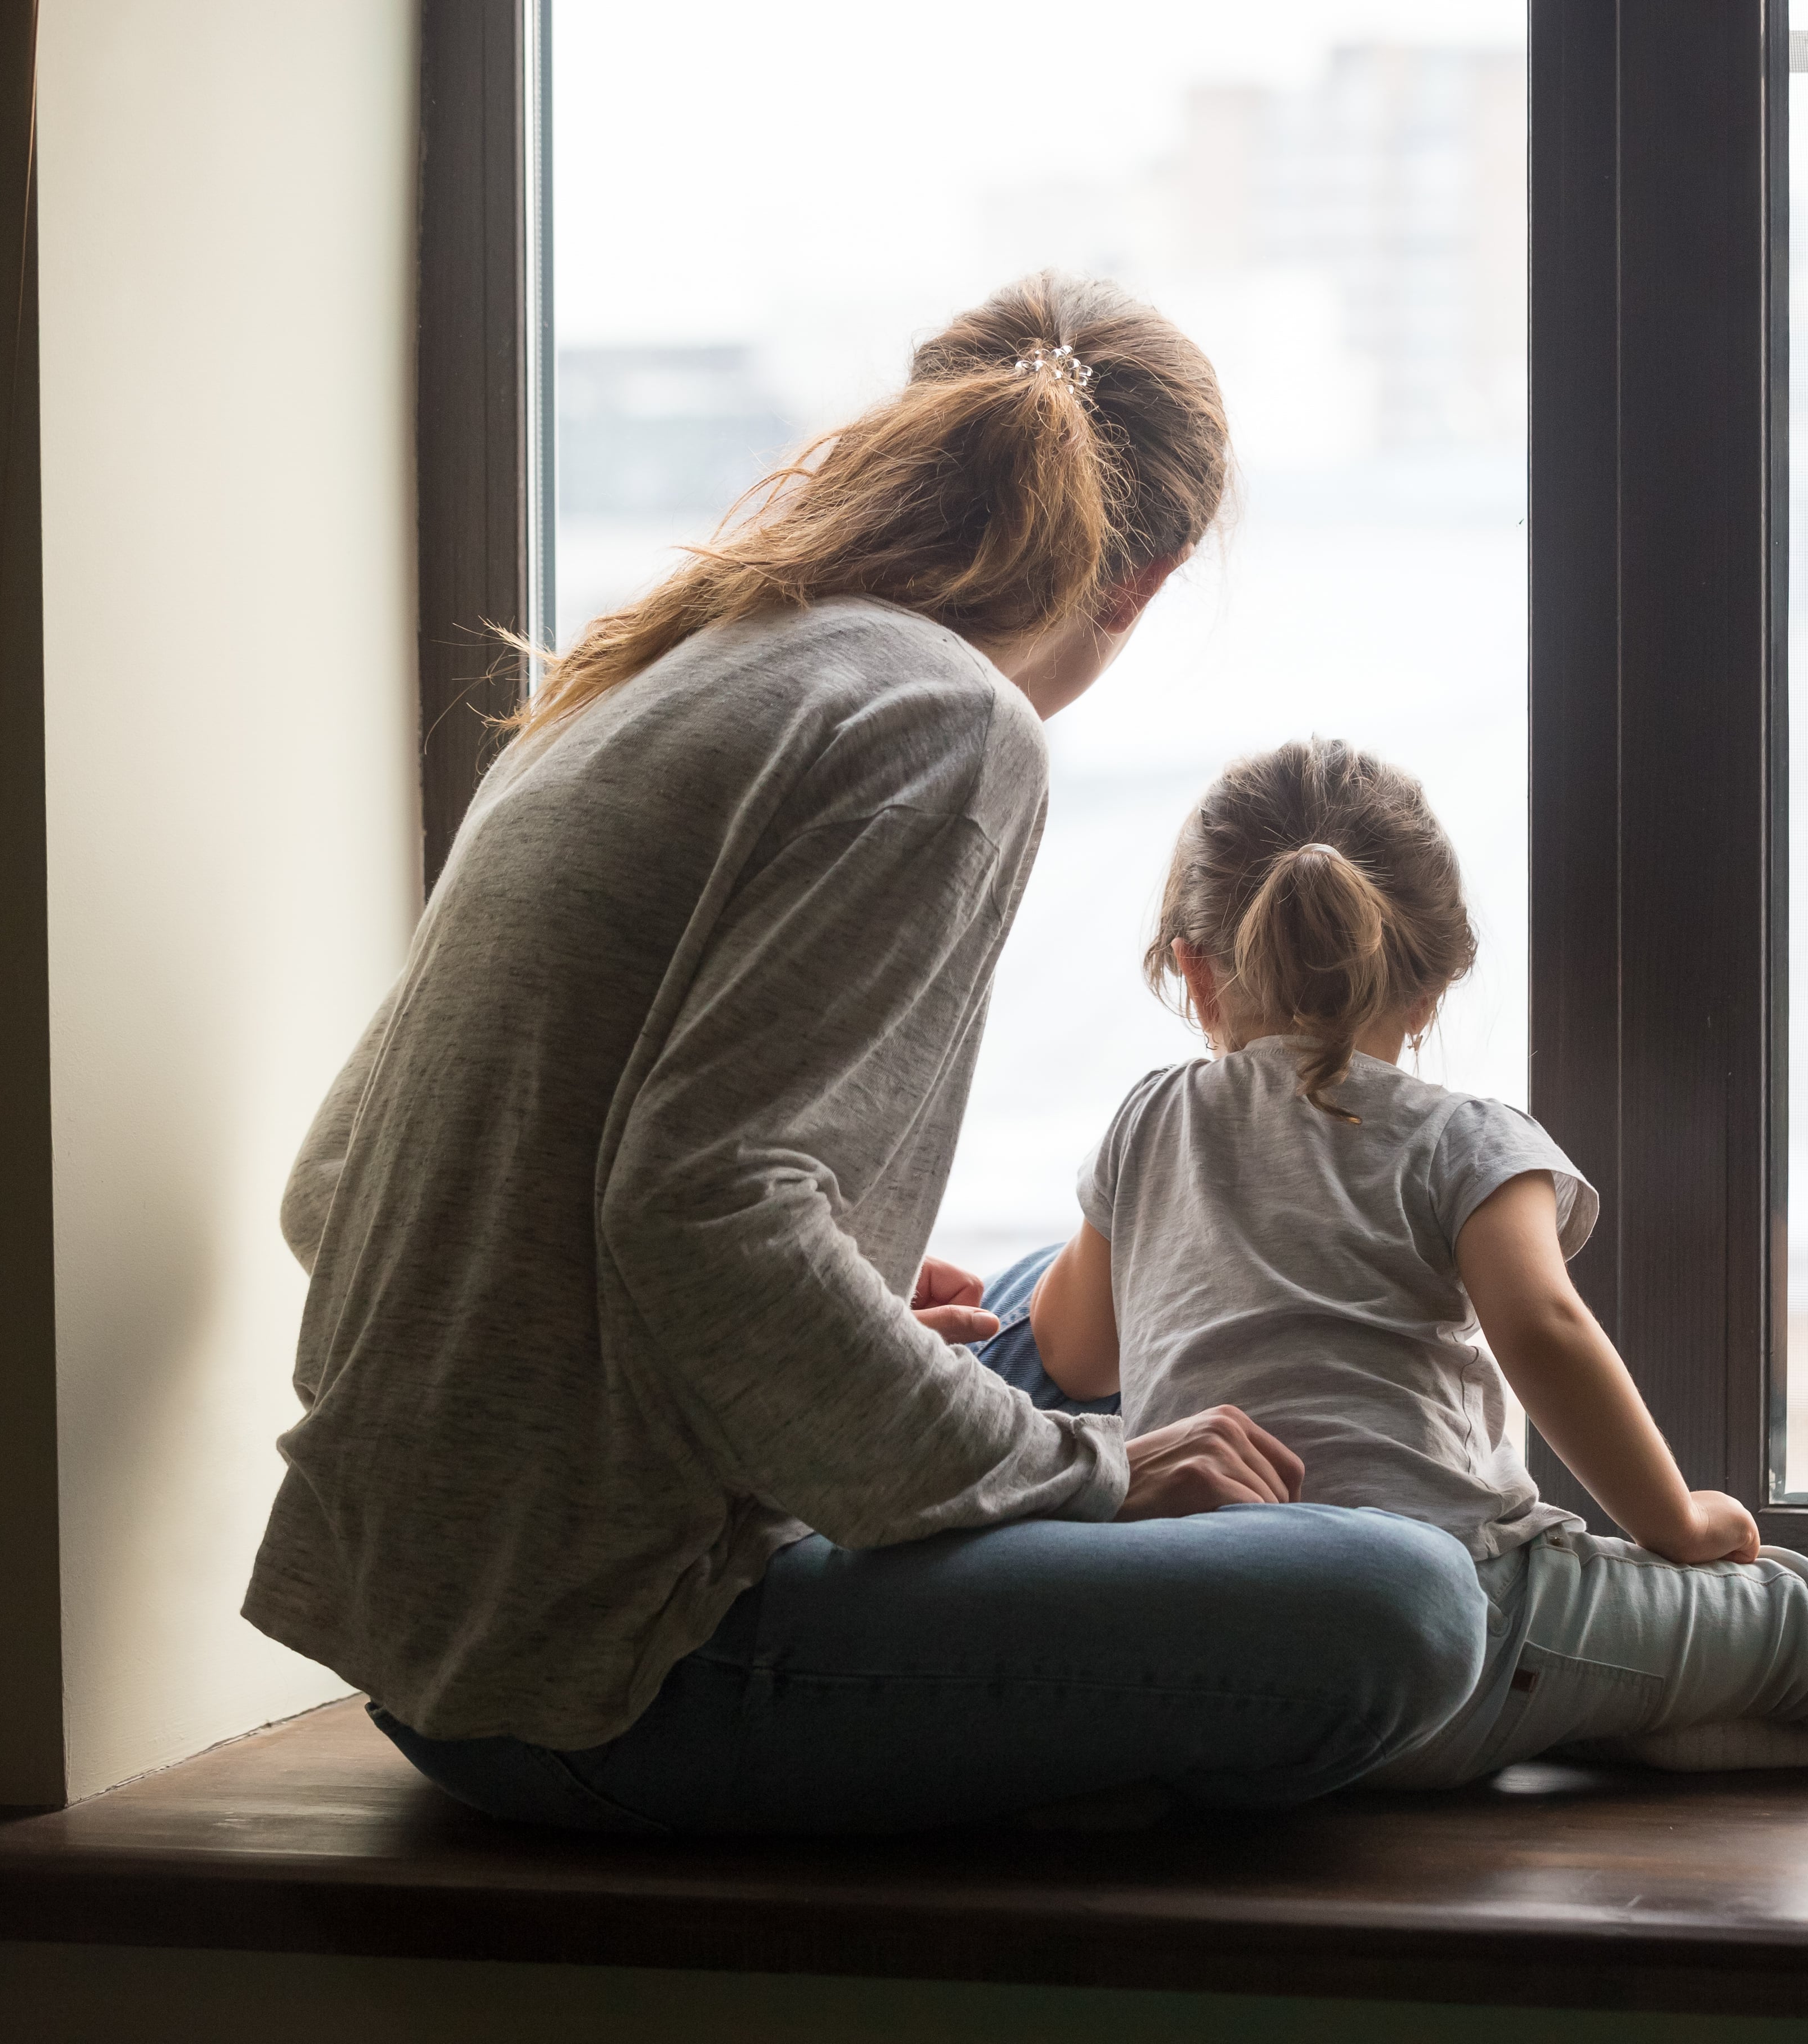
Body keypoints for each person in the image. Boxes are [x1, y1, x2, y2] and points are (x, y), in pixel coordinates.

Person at [246, 277, 1491, 1835]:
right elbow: (700, 1215)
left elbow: (338, 1187)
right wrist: (1097, 1481)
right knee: (1406, 1604)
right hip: (616, 1671)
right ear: (1149, 580)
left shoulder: (637, 679)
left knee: (1041, 1296)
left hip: (425, 1641)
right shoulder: (947, 719)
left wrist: (796, 1323)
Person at [1004, 738, 1808, 1787]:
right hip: (1466, 1635)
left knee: (1662, 1648)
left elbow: (1073, 1353)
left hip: (1235, 1669)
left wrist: (985, 1315)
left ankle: (1700, 1720)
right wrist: (1676, 1522)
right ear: (1430, 986)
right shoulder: (1462, 1142)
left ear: (1192, 971)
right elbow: (1549, 1333)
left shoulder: (1148, 1120)